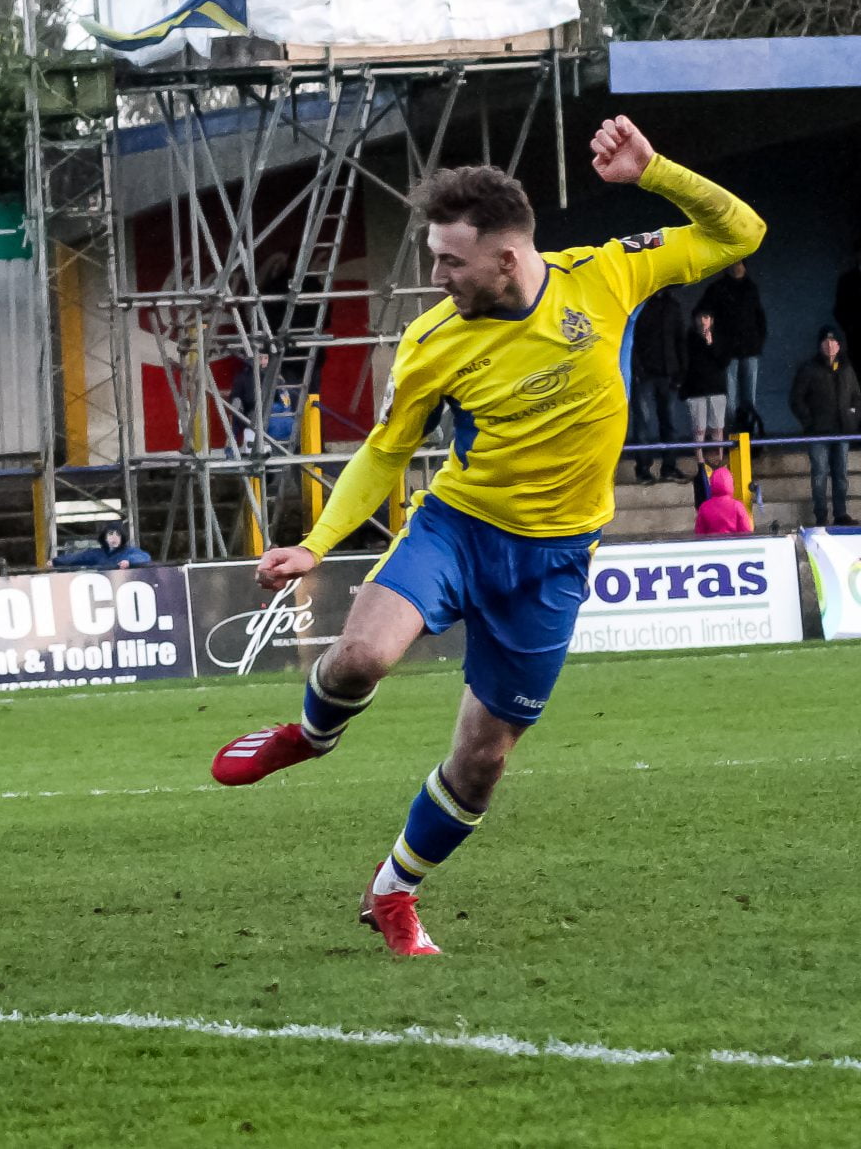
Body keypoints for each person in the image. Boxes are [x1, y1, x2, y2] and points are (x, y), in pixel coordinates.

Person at [207, 117, 765, 958]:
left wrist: (656, 172)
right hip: (458, 529)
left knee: (483, 761)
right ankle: (309, 735)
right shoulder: (432, 340)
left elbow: (741, 232)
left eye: (448, 260)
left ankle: (395, 889)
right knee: (361, 654)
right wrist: (318, 543)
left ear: (506, 258)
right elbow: (387, 450)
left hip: (555, 561)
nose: (435, 275)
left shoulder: (607, 276)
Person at [788, 324, 861, 527]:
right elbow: (796, 400)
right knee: (819, 474)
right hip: (817, 433)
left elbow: (856, 397)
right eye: (826, 341)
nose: (829, 345)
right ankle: (821, 516)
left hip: (842, 432)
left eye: (833, 341)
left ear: (839, 345)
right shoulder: (809, 369)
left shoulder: (847, 369)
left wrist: (852, 419)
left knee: (841, 475)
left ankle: (841, 514)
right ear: (820, 345)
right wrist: (809, 422)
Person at [696, 260, 767, 433]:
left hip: (750, 350)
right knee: (730, 402)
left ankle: (750, 437)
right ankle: (733, 437)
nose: (737, 267)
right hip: (727, 353)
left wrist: (758, 342)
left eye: (740, 263)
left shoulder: (751, 288)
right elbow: (702, 316)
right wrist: (714, 346)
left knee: (749, 399)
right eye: (733, 264)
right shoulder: (717, 289)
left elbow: (760, 318)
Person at [628, 284, 688, 483]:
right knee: (642, 423)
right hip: (643, 374)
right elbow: (630, 339)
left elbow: (680, 340)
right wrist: (636, 369)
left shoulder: (673, 305)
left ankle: (669, 468)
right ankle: (643, 470)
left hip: (668, 374)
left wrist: (680, 371)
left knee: (669, 422)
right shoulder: (639, 304)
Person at [681, 310, 730, 467]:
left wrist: (711, 344)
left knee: (717, 427)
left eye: (706, 317)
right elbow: (686, 364)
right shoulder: (689, 339)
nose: (703, 321)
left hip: (716, 389)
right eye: (700, 318)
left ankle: (719, 459)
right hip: (696, 390)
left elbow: (723, 361)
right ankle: (700, 461)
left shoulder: (720, 337)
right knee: (699, 428)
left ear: (712, 320)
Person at [54, 523, 154, 570]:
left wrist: (129, 562)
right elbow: (76, 558)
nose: (114, 537)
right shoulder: (96, 554)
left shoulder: (129, 552)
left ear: (122, 538)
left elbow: (145, 557)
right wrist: (55, 561)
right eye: (111, 534)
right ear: (104, 537)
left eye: (118, 535)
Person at [694, 465, 753, 537]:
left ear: (712, 483)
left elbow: (699, 534)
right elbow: (746, 533)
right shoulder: (737, 506)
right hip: (734, 546)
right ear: (730, 483)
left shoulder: (704, 507)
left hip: (712, 546)